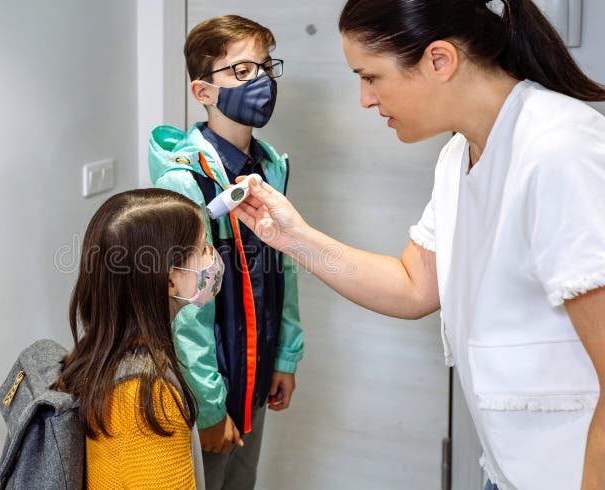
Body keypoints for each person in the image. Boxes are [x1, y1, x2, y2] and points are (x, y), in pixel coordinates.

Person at [232, 1, 605, 489]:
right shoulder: (459, 155)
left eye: (371, 77)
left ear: (439, 60)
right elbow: (413, 286)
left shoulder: (560, 151)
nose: (365, 99)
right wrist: (291, 237)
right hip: (510, 470)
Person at [148, 14, 304, 489]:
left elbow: (284, 264)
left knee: (243, 481)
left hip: (258, 370)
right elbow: (184, 309)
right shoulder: (185, 180)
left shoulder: (270, 166)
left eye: (265, 68)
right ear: (203, 92)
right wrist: (210, 408)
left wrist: (285, 357)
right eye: (241, 72)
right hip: (209, 384)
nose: (260, 82)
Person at [51, 188, 224, 489]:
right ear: (169, 280)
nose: (213, 256)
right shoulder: (150, 401)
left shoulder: (99, 353)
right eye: (203, 248)